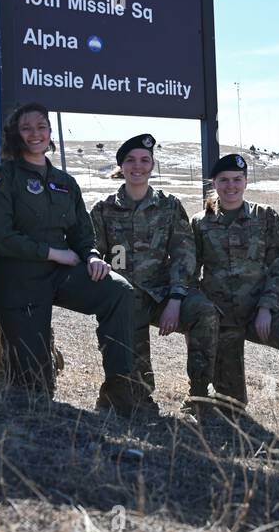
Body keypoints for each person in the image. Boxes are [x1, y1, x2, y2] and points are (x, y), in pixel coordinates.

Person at [0, 102, 146, 414]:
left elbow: (82, 233)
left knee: (118, 291)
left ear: (50, 132)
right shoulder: (1, 177)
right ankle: (39, 362)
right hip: (20, 279)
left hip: (62, 273)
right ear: (16, 133)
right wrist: (52, 252)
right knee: (33, 391)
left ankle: (119, 392)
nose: (35, 133)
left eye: (41, 126)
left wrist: (93, 256)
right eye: (26, 128)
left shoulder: (64, 182)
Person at [192, 153, 279, 443]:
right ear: (215, 183)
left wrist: (266, 307)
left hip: (260, 312)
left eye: (237, 180)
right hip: (222, 318)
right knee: (232, 405)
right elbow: (190, 270)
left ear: (245, 182)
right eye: (224, 180)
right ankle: (210, 397)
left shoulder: (265, 217)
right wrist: (200, 314)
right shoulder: (201, 223)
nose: (231, 186)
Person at [90, 134, 218, 417]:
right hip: (123, 295)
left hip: (164, 294)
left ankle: (199, 394)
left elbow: (184, 254)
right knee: (129, 307)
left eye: (145, 160)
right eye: (131, 161)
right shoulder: (103, 208)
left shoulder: (169, 206)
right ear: (121, 166)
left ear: (152, 165)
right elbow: (93, 251)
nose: (138, 166)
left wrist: (175, 297)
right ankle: (137, 394)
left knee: (203, 311)